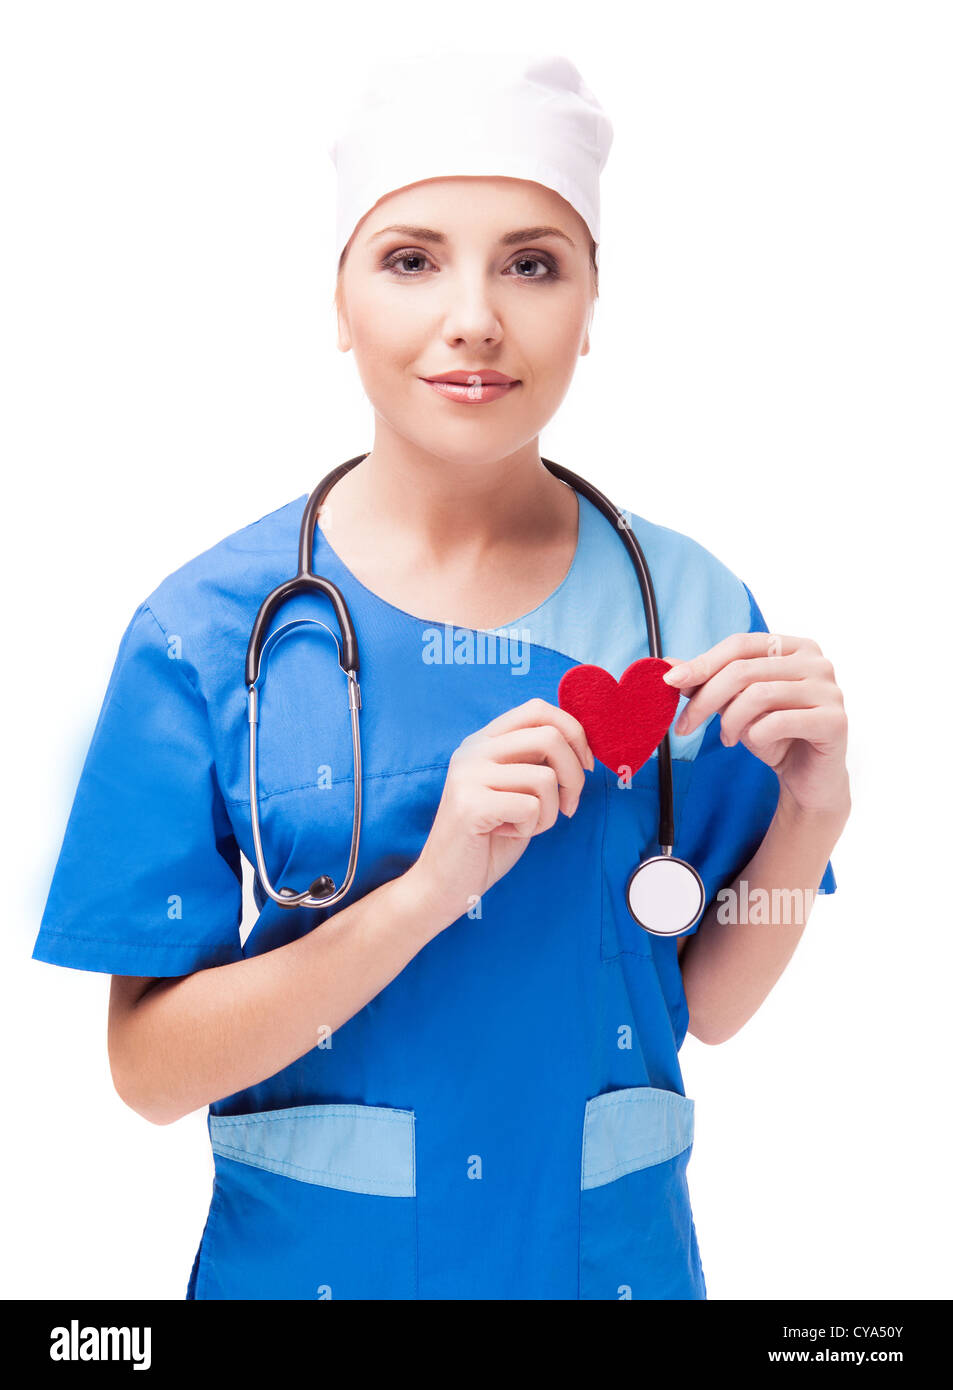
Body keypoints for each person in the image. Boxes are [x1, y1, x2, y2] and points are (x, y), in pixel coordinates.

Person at [31, 51, 850, 1300]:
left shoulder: (684, 611)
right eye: (411, 258)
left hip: (604, 1268)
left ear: (589, 305)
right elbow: (146, 1072)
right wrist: (427, 889)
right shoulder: (208, 631)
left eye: (531, 262)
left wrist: (811, 814)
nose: (474, 315)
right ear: (341, 300)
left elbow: (712, 1003)